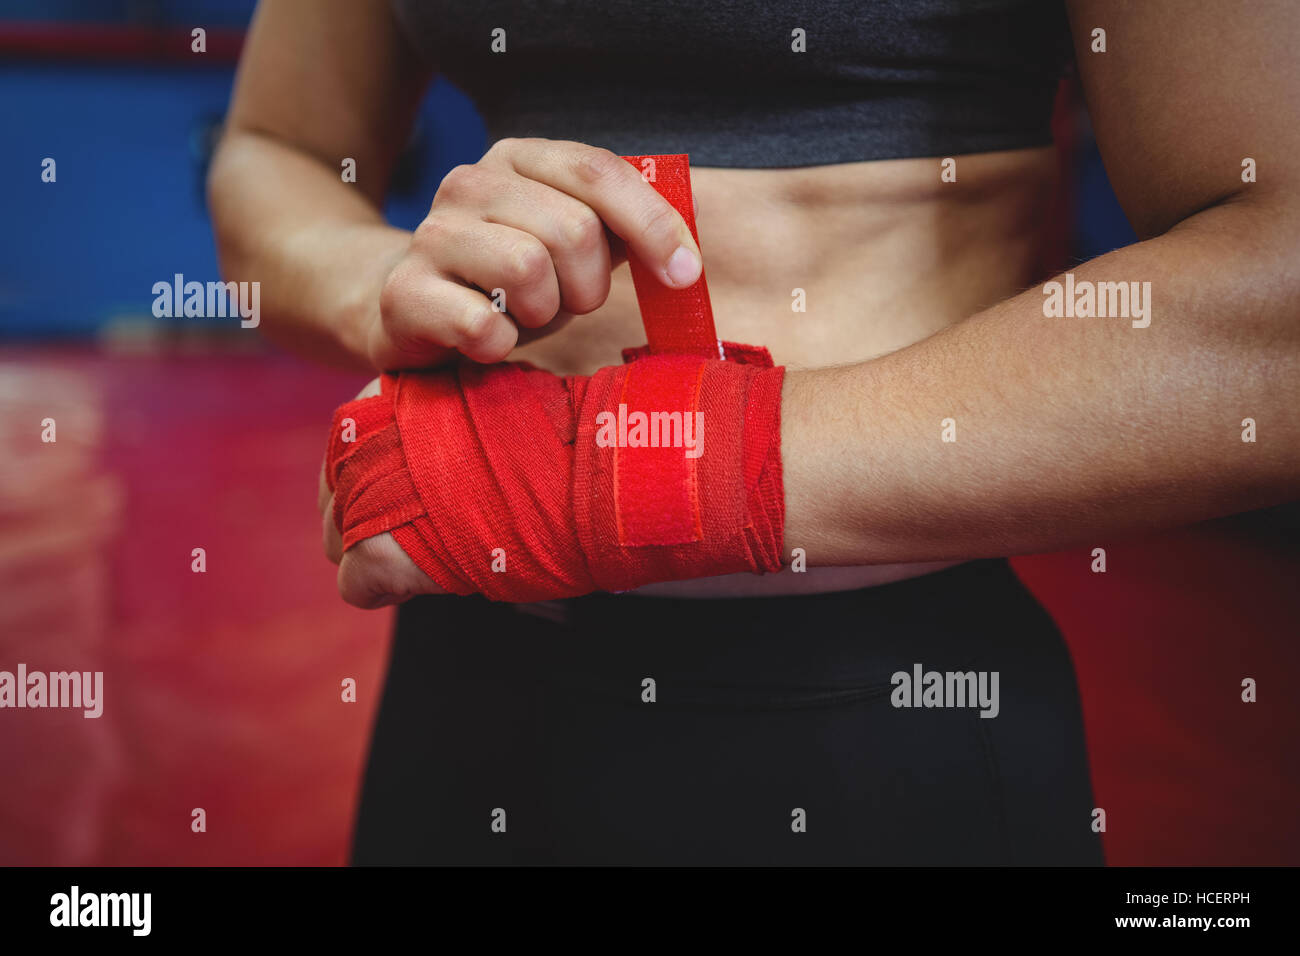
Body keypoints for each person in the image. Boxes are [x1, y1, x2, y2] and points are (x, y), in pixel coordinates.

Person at [208, 0, 1299, 864]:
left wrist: (599, 473)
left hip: (872, 699)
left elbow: (1277, 294)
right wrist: (375, 280)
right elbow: (276, 147)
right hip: (468, 650)